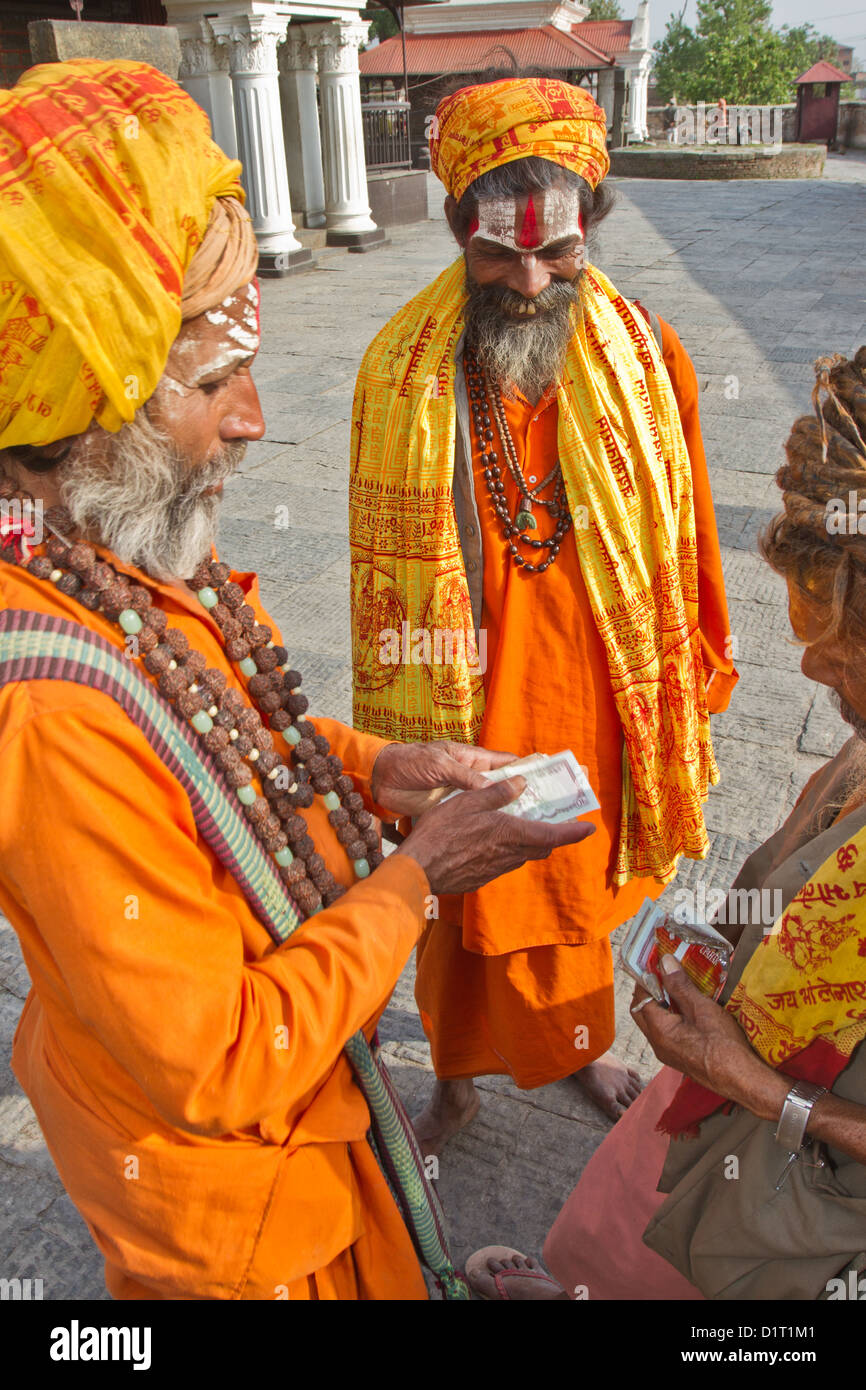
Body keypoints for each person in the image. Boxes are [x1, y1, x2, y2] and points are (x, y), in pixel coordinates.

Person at [0, 59, 594, 1302]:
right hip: (234, 1204)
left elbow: (191, 722)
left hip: (296, 1114)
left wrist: (374, 767)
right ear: (75, 404)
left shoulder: (95, 541)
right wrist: (417, 878)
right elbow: (222, 1061)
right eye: (215, 383)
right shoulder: (47, 716)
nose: (258, 419)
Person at [349, 75, 737, 1153]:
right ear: (456, 233)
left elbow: (692, 522)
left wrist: (697, 663)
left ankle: (575, 1045)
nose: (526, 281)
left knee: (579, 890)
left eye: (554, 252)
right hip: (470, 694)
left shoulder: (650, 356)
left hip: (601, 687)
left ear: (591, 227)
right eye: (494, 255)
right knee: (464, 911)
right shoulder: (399, 368)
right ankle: (460, 1087)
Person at [466, 348, 866, 1300]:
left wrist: (761, 1089)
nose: (814, 669)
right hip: (713, 1107)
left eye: (849, 643)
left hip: (807, 1204)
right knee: (619, 1234)